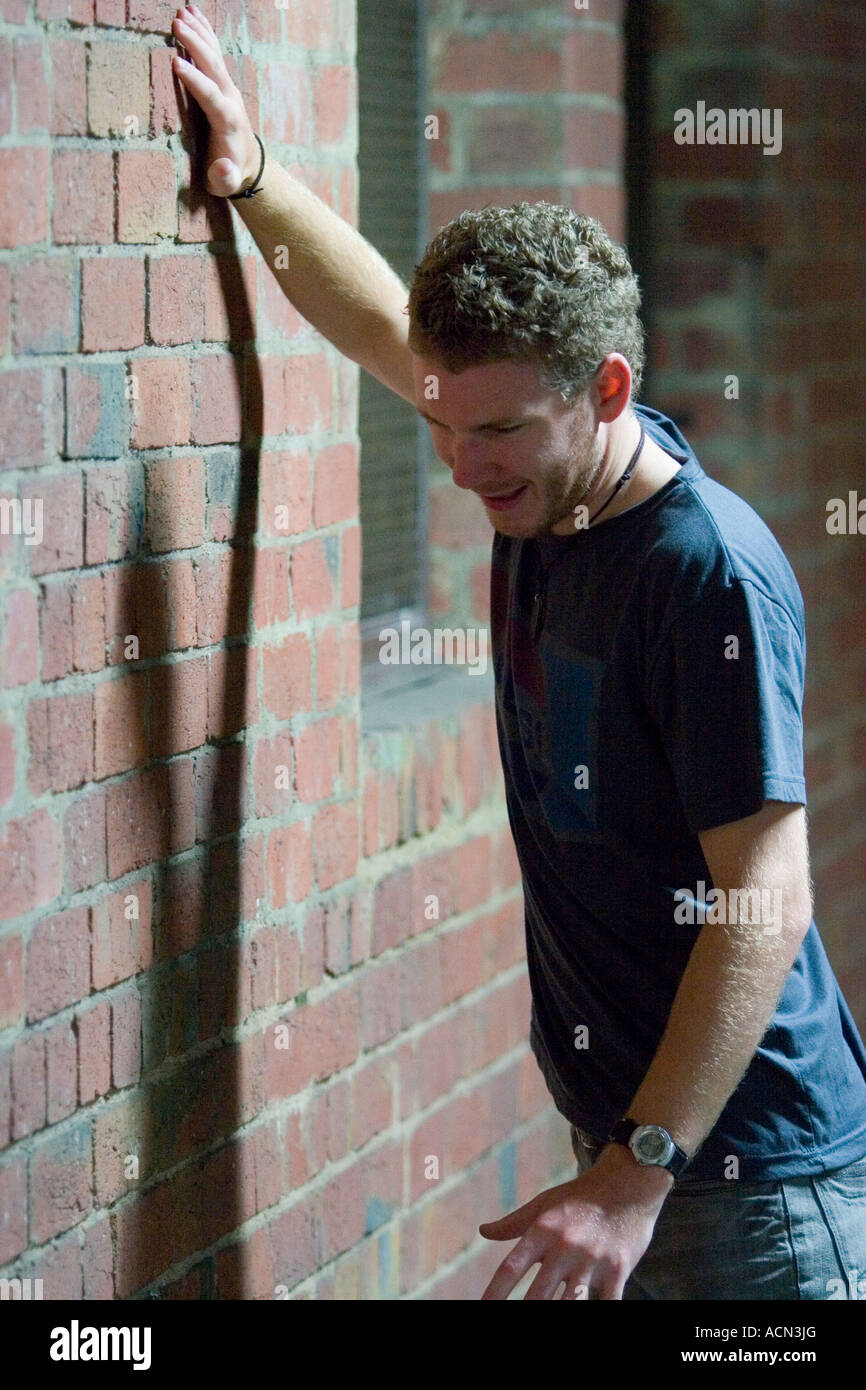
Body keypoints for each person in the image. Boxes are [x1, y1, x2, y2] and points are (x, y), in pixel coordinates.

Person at [170, 6, 866, 1300]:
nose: (456, 461)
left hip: (749, 1193)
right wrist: (256, 175)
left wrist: (633, 1170)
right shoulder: (545, 474)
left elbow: (765, 896)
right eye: (444, 421)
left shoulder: (698, 571)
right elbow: (386, 322)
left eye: (492, 431)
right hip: (656, 1159)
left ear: (603, 389)